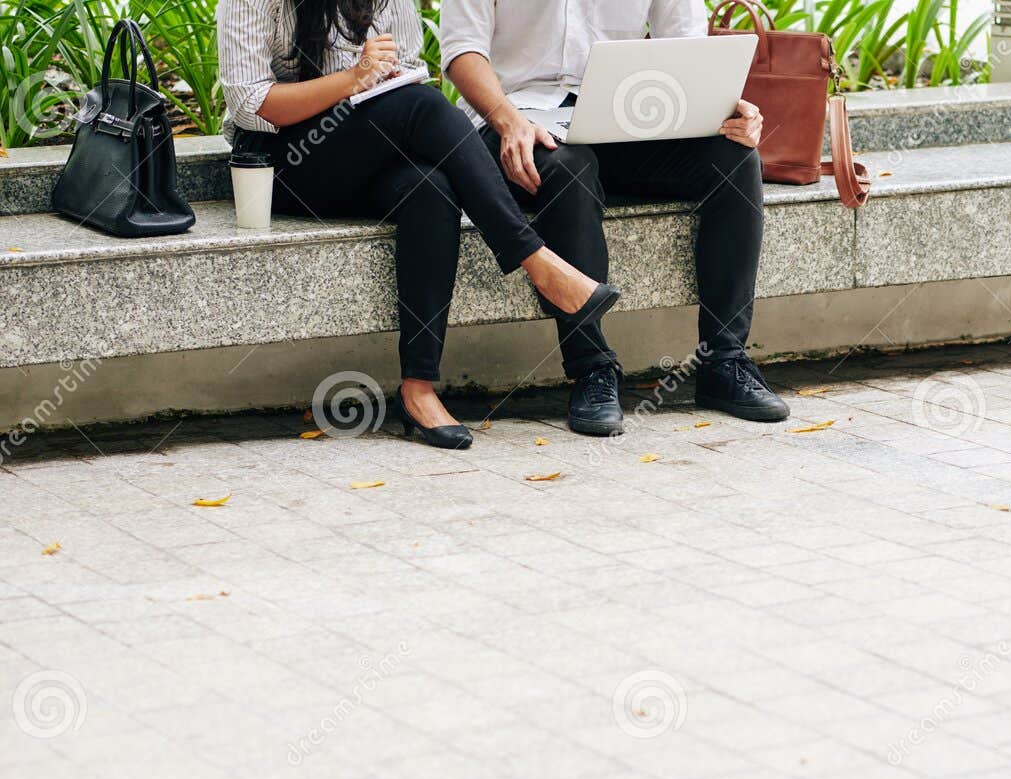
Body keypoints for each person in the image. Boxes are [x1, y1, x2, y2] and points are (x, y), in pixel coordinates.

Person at [217, 0, 622, 450]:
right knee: (424, 107)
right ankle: (536, 260)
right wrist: (352, 79)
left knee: (430, 187)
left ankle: (418, 389)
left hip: (362, 144)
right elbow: (251, 104)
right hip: (284, 160)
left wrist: (381, 79)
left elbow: (409, 68)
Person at [442, 0, 790, 437]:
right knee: (569, 168)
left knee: (736, 157)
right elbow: (462, 51)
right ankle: (592, 369)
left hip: (624, 117)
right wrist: (508, 121)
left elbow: (688, 48)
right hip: (515, 118)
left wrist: (728, 110)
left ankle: (724, 360)